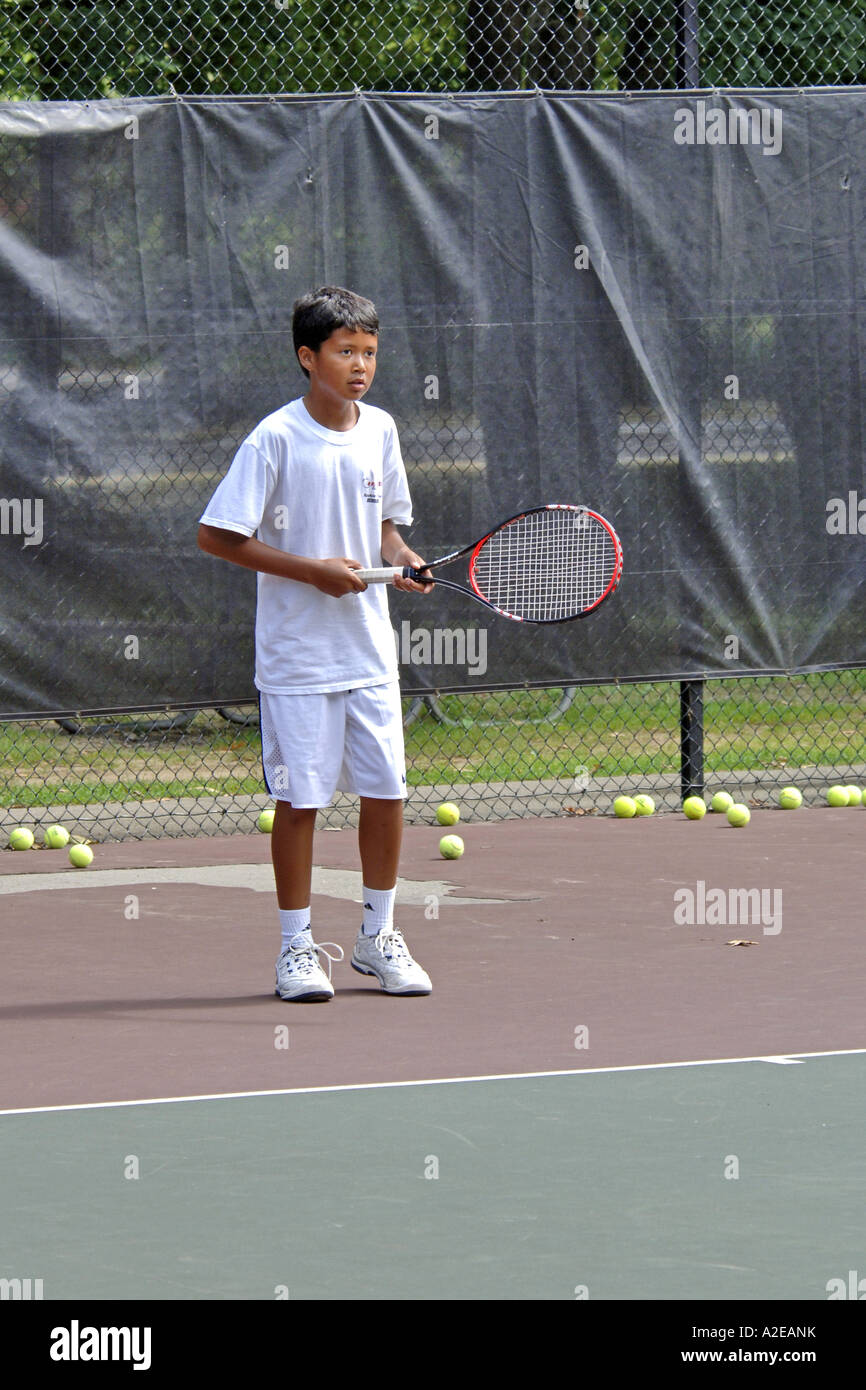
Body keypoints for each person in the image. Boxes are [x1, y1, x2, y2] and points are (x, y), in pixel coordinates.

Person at [197, 286, 433, 1002]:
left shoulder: (381, 431)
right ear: (309, 357)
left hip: (366, 654)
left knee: (387, 792)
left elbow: (387, 529)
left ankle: (378, 937)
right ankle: (297, 949)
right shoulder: (273, 439)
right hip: (297, 659)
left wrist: (404, 560)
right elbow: (217, 535)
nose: (359, 365)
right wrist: (313, 573)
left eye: (368, 352)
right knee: (302, 802)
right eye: (344, 351)